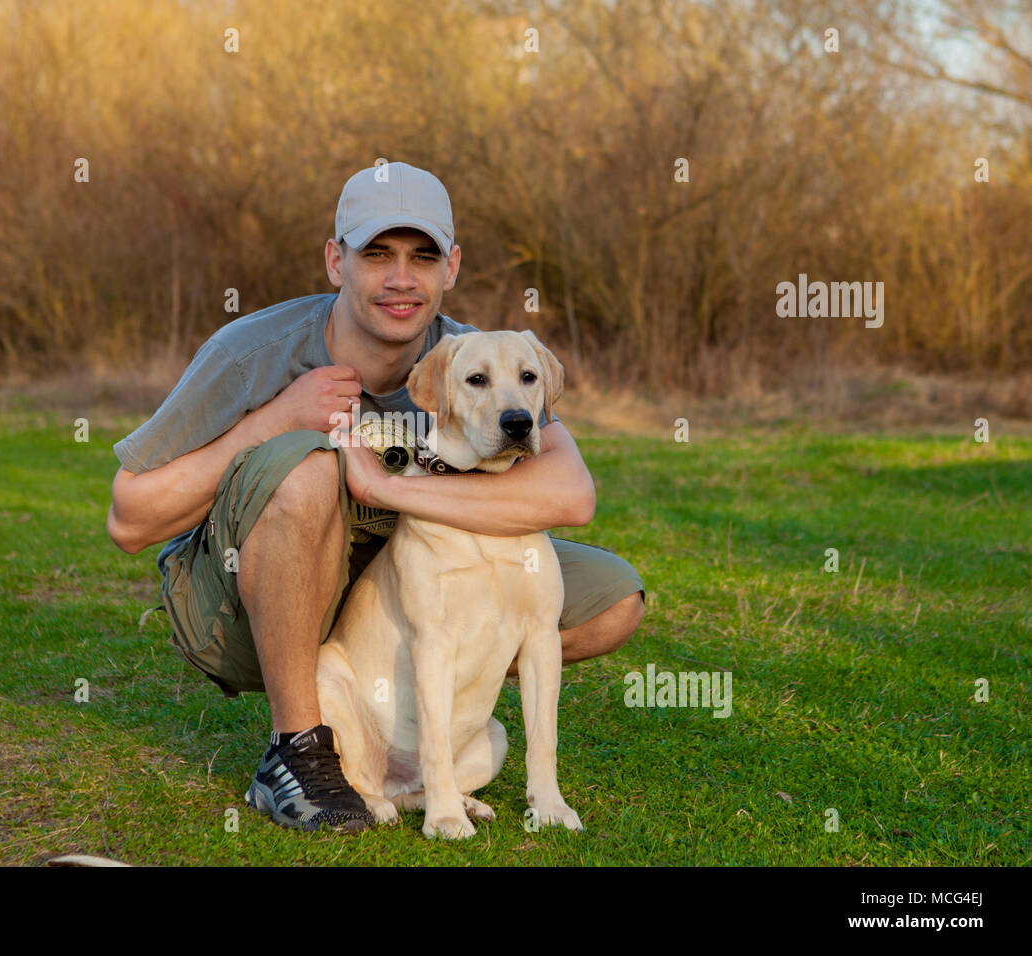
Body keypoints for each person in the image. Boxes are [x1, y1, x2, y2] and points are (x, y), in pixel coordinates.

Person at [106, 162, 645, 833]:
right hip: (246, 602)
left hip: (402, 585)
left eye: (422, 257)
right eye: (376, 255)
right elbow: (129, 518)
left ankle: (421, 723)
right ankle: (299, 752)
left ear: (451, 267)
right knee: (305, 472)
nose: (400, 279)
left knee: (614, 597)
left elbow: (571, 493)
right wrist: (276, 420)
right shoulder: (252, 353)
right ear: (336, 262)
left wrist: (388, 488)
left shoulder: (472, 359)